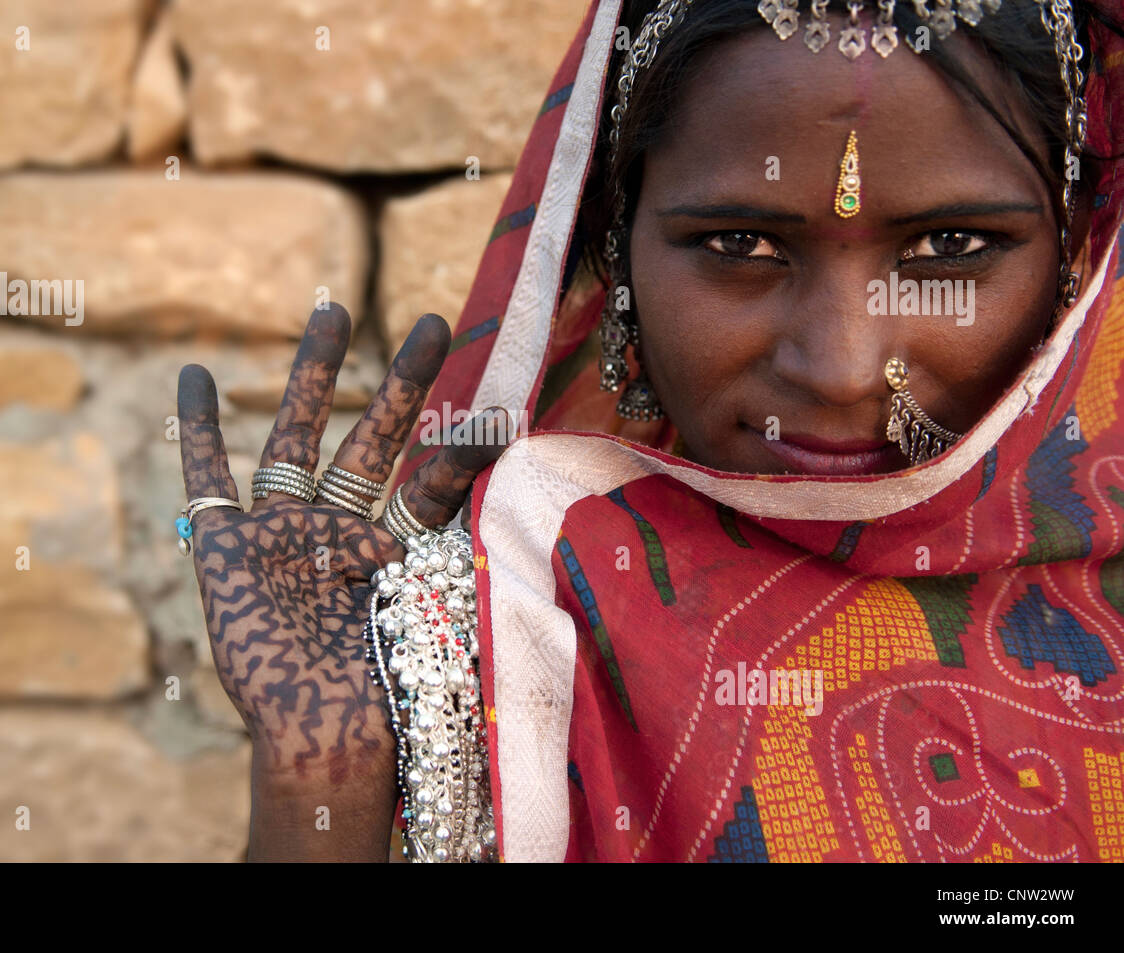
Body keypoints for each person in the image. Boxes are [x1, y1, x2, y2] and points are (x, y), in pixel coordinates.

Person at [176, 0, 1124, 862]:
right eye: (741, 244)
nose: (839, 368)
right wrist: (320, 784)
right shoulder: (493, 636)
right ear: (616, 258)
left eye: (950, 247)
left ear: (1075, 257)